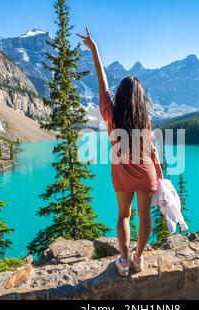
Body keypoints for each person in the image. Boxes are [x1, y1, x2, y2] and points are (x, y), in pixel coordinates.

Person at [77, 28, 163, 277]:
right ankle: (139, 258)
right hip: (146, 170)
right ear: (139, 99)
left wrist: (95, 51)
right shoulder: (144, 121)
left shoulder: (110, 114)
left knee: (124, 215)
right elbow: (152, 150)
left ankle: (124, 262)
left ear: (121, 96)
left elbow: (102, 84)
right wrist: (158, 172)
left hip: (122, 172)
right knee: (145, 216)